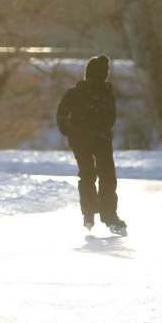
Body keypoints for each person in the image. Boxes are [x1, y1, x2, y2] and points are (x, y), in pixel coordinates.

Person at [57, 55, 127, 235]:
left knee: (89, 175)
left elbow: (62, 114)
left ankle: (92, 214)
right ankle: (107, 215)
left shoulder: (79, 92)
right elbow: (112, 116)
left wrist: (69, 131)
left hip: (87, 139)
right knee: (106, 177)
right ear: (102, 74)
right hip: (95, 139)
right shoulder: (99, 92)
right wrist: (73, 131)